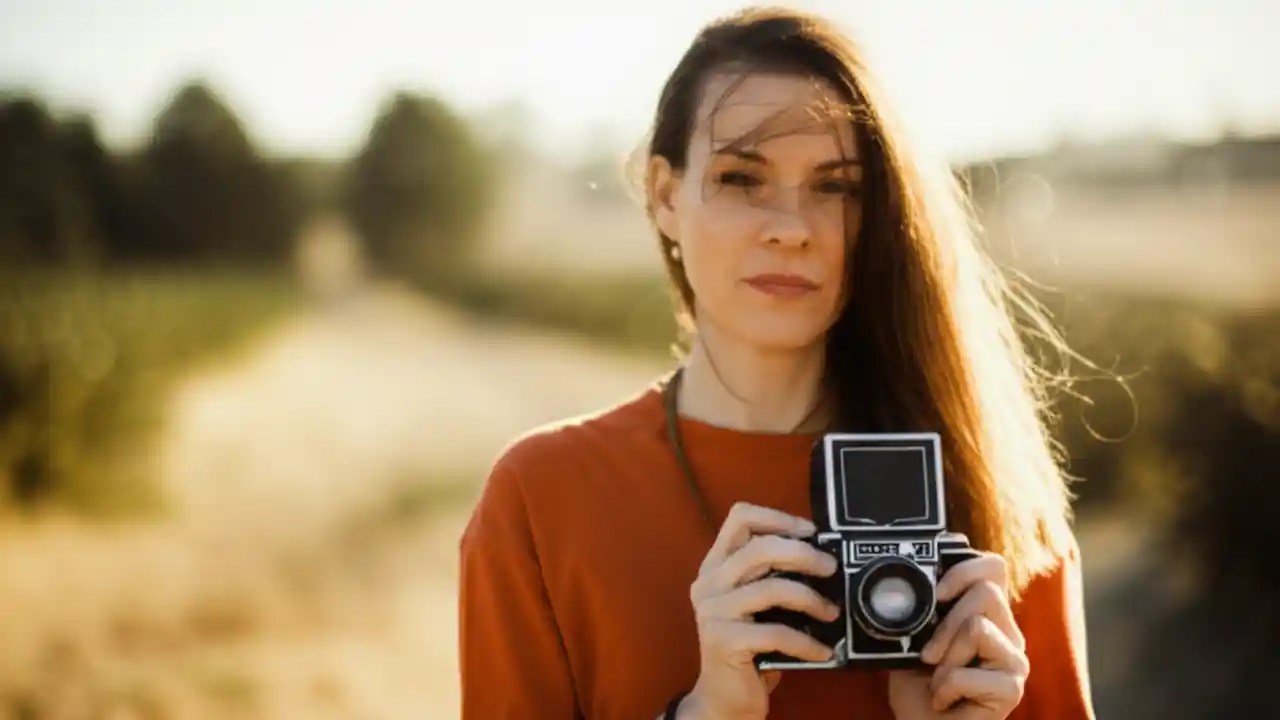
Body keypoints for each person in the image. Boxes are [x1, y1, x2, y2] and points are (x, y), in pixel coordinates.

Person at [458, 6, 1094, 719]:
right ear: (665, 194)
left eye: (836, 187)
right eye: (741, 178)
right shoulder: (541, 498)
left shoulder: (989, 496)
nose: (791, 229)